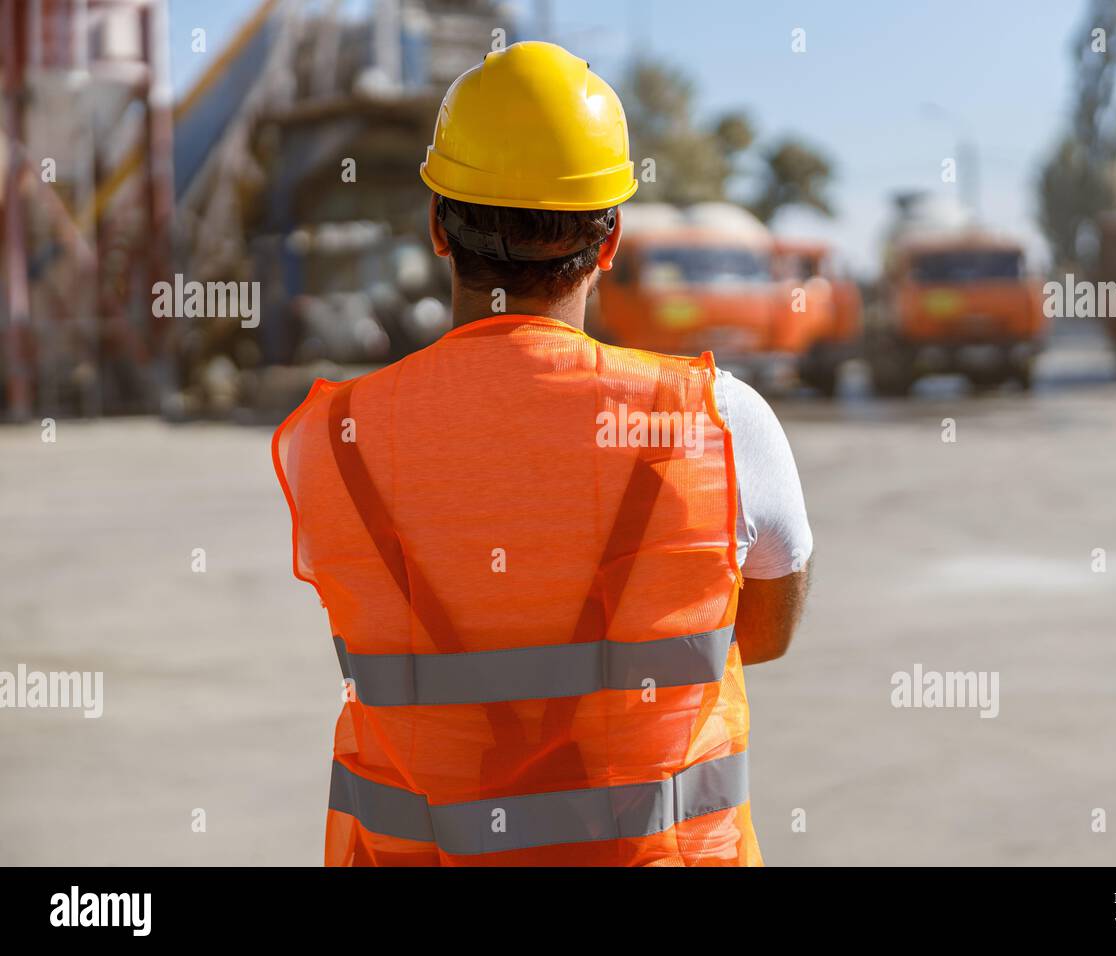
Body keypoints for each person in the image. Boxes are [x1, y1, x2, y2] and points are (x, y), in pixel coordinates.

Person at [272, 40, 812, 866]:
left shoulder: (333, 443)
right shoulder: (721, 422)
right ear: (610, 239)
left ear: (437, 231)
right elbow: (762, 633)